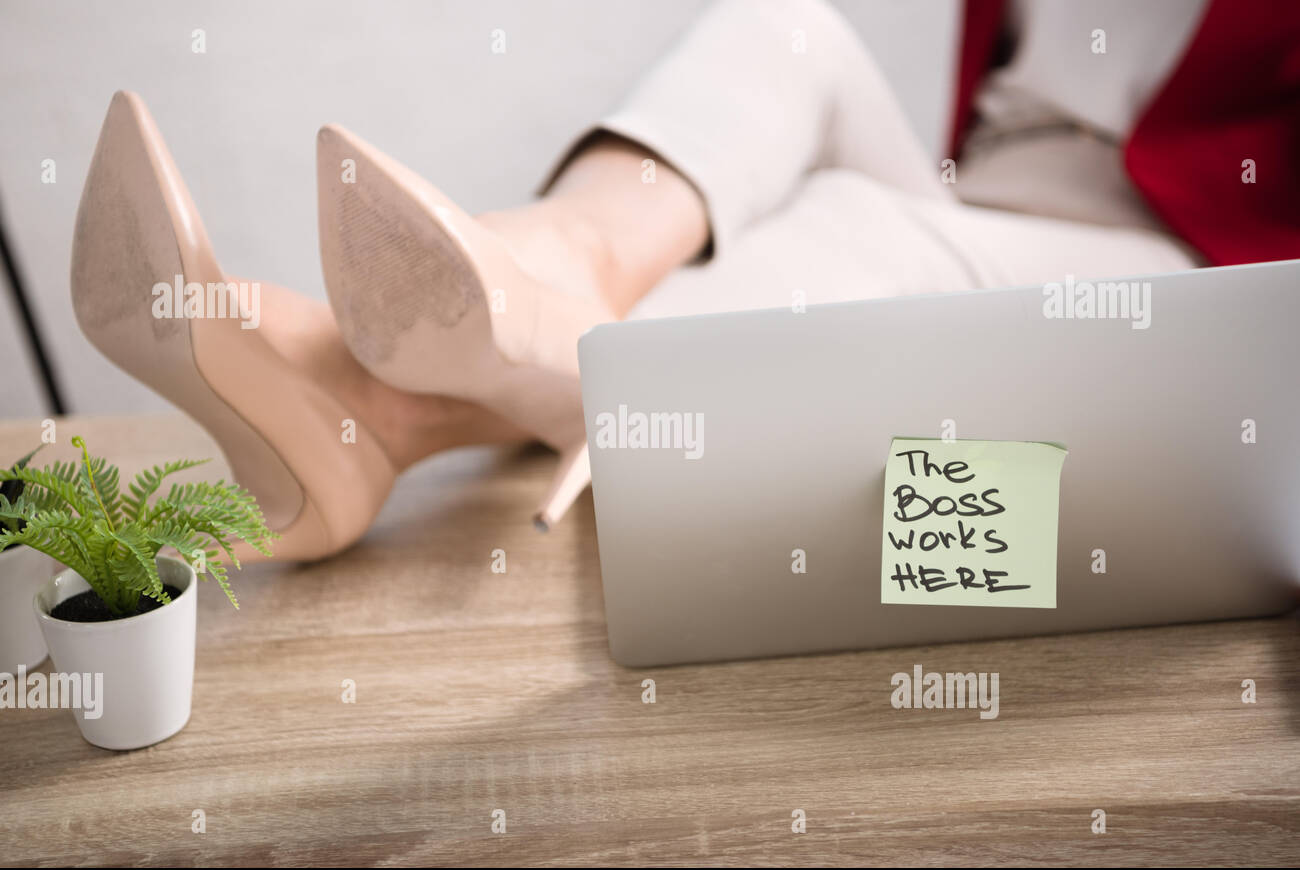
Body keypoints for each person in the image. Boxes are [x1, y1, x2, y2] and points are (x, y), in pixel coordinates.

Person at [70, 0, 1300, 562]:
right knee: (786, 27)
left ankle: (362, 393)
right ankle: (547, 267)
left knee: (852, 229)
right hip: (981, 180)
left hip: (1183, 262)